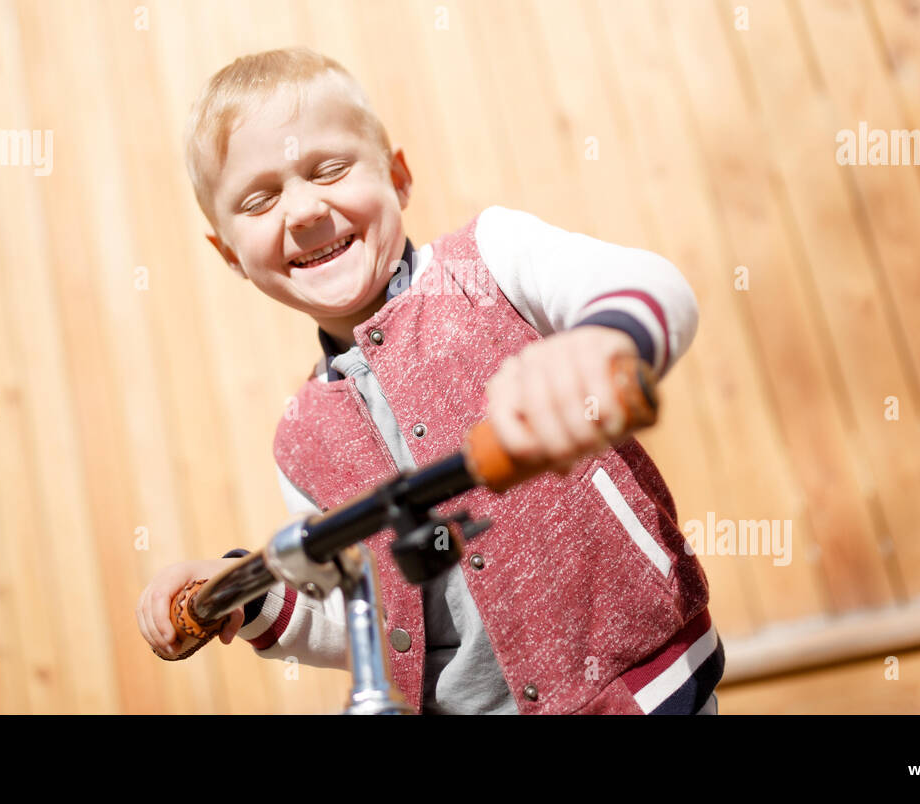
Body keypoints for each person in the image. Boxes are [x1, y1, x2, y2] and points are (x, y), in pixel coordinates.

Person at [135, 47, 723, 715]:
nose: (301, 212)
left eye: (328, 169)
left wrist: (601, 343)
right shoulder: (298, 439)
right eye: (260, 199)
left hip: (639, 689)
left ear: (399, 177)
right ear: (229, 254)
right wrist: (250, 595)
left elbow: (651, 286)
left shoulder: (492, 258)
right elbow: (367, 605)